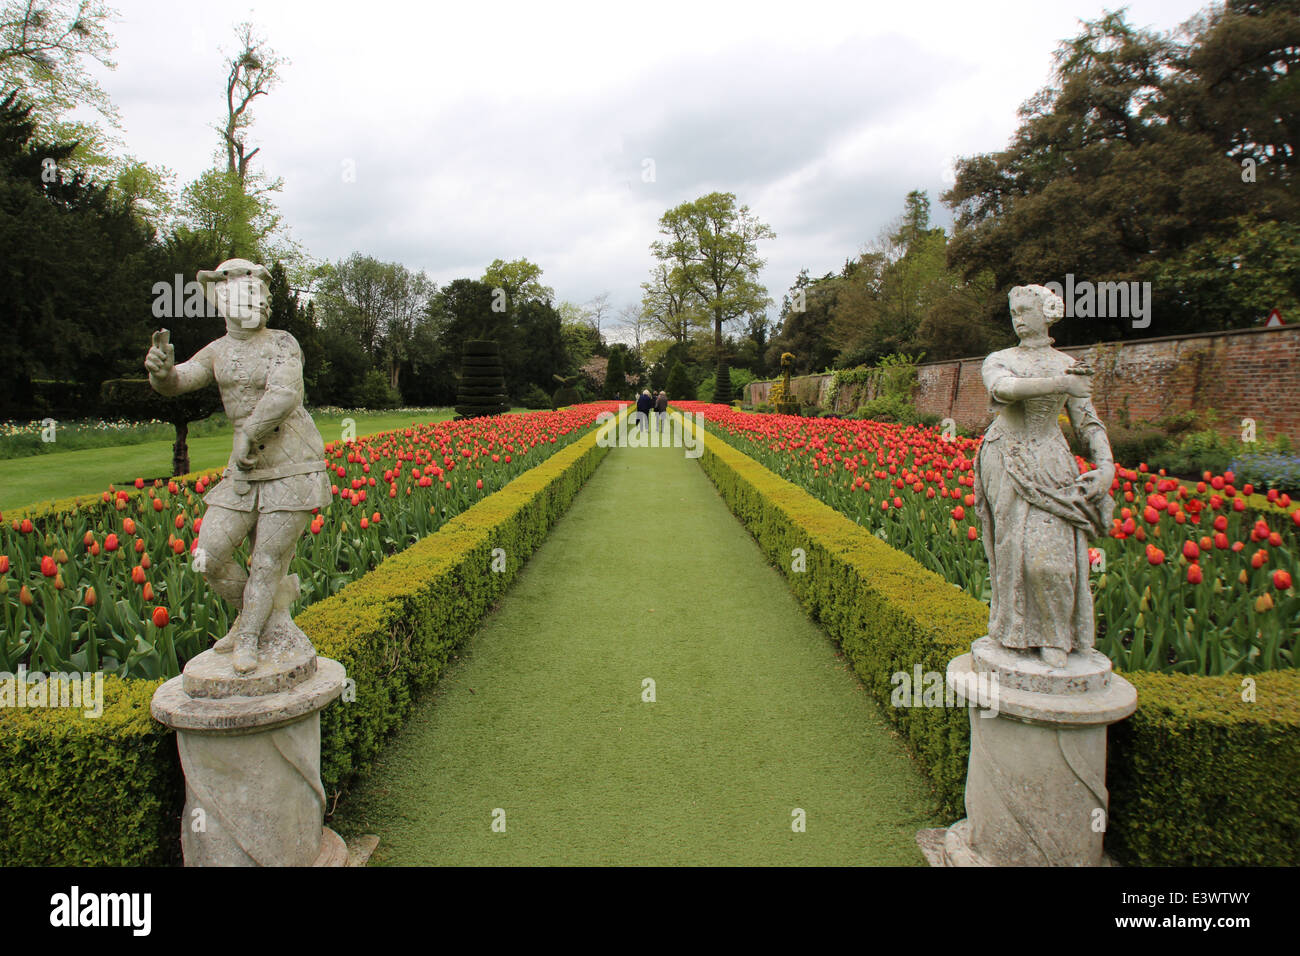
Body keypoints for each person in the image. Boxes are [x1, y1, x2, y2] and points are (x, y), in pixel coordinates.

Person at [144, 258, 332, 675]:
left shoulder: (283, 343)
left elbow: (285, 394)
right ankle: (259, 618)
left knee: (266, 561)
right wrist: (161, 373)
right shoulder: (218, 350)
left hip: (292, 463)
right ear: (223, 301)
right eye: (251, 297)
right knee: (208, 555)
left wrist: (249, 433)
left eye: (264, 299)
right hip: (244, 469)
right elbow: (181, 379)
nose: (261, 305)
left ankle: (248, 635)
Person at [972, 284, 1115, 669]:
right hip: (1006, 456)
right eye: (1014, 311)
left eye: (1025, 310)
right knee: (1010, 551)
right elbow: (1004, 389)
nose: (1018, 318)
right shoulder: (999, 359)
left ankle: (1055, 634)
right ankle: (1011, 632)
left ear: (1047, 313)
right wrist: (1061, 384)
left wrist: (1106, 467)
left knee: (1050, 561)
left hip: (1052, 461)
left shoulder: (1068, 363)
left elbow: (1088, 423)